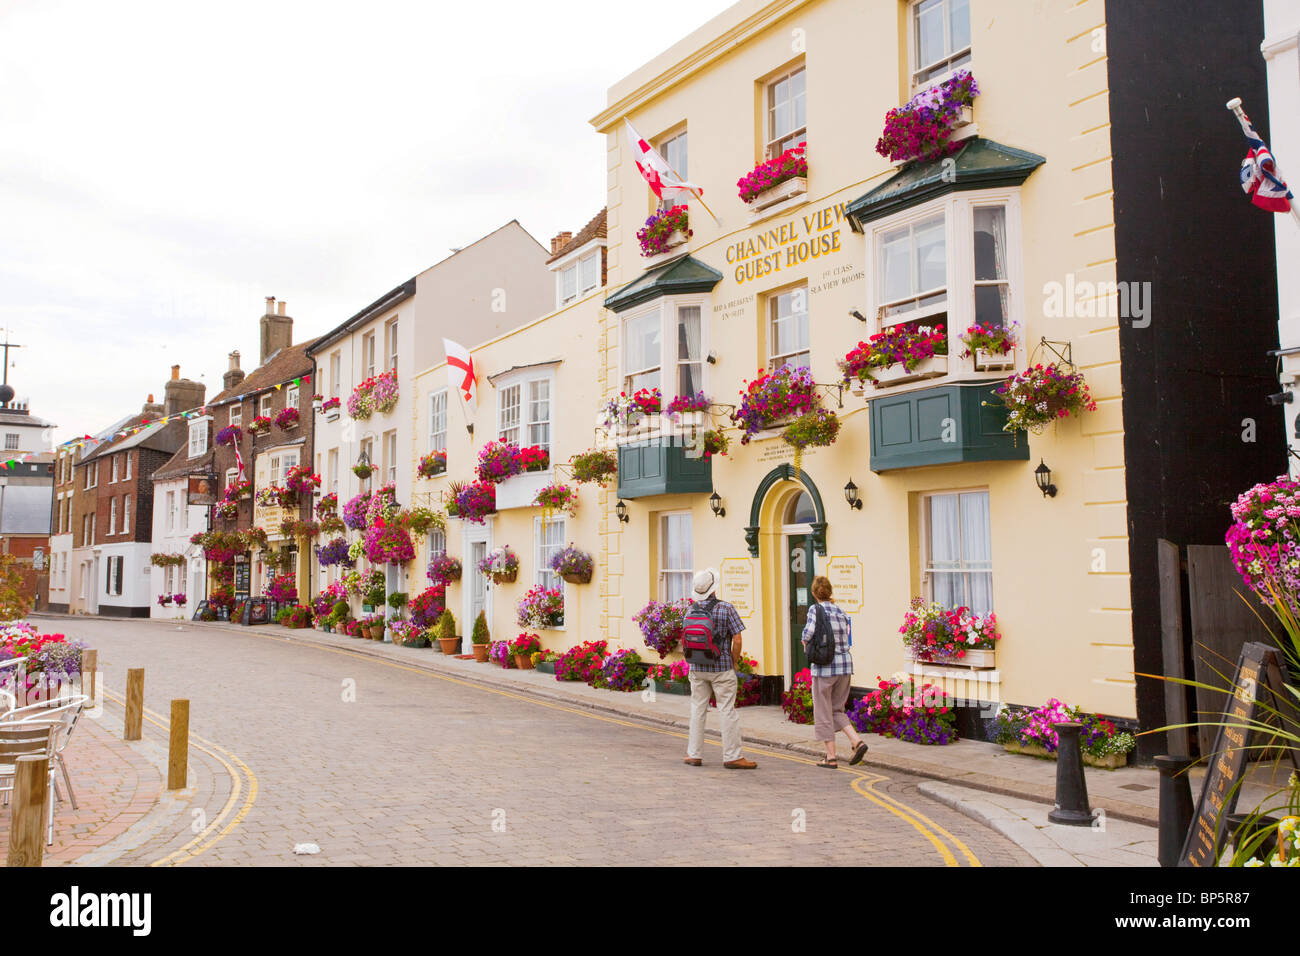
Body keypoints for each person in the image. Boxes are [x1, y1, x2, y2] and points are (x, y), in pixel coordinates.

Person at [683, 567, 757, 769]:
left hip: (697, 667)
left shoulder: (690, 610)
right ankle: (732, 756)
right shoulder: (726, 608)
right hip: (721, 667)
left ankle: (694, 754)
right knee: (727, 710)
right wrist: (734, 661)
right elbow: (738, 638)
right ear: (714, 589)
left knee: (698, 709)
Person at [802, 575, 868, 769]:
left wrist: (805, 643)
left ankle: (830, 757)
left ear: (814, 593)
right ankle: (857, 741)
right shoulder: (840, 611)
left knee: (823, 712)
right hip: (845, 666)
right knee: (837, 709)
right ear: (830, 592)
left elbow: (807, 633)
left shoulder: (815, 609)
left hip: (825, 667)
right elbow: (847, 637)